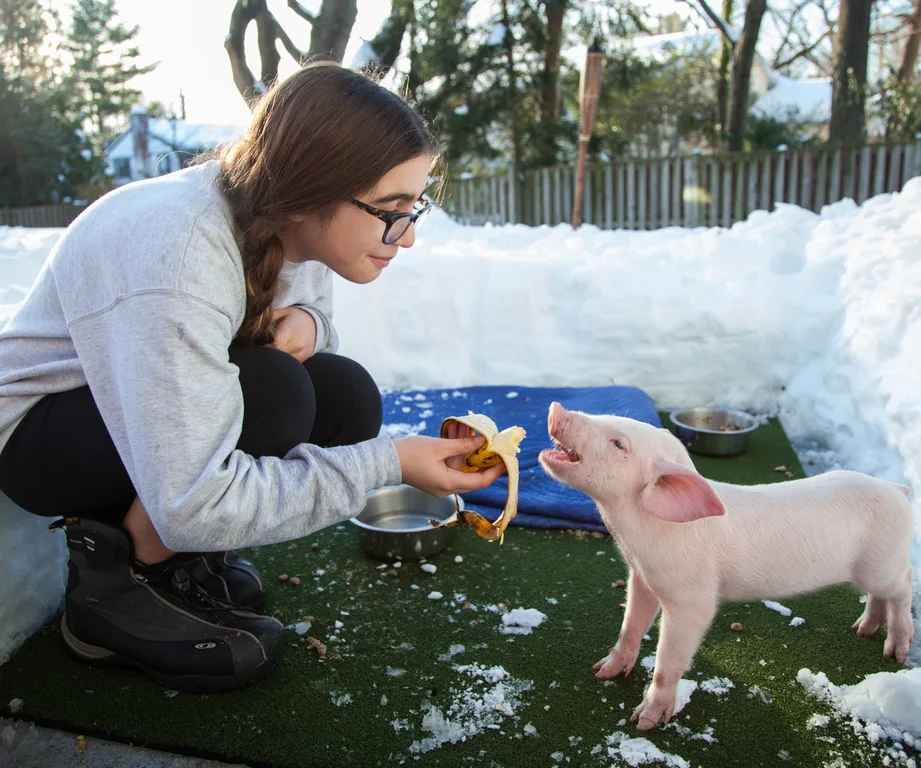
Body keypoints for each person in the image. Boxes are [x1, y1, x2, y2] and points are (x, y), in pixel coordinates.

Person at [0, 63, 505, 693]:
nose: (404, 238)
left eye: (415, 208)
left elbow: (312, 319)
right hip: (40, 436)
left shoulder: (285, 215)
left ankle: (177, 562)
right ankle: (114, 590)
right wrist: (387, 465)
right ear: (314, 187)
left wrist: (311, 328)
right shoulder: (180, 249)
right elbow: (194, 501)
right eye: (391, 211)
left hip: (134, 414)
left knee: (344, 392)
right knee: (276, 389)